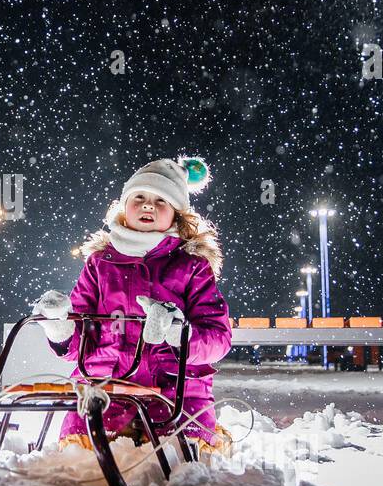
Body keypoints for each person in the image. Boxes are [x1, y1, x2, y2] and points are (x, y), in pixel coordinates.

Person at [33, 155, 233, 456]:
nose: (148, 205)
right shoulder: (100, 264)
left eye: (161, 201)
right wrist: (60, 326)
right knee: (82, 458)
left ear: (177, 216)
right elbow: (78, 346)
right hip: (105, 386)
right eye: (139, 197)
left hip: (175, 391)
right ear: (125, 207)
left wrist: (179, 334)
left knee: (179, 457)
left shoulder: (192, 267)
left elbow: (218, 338)